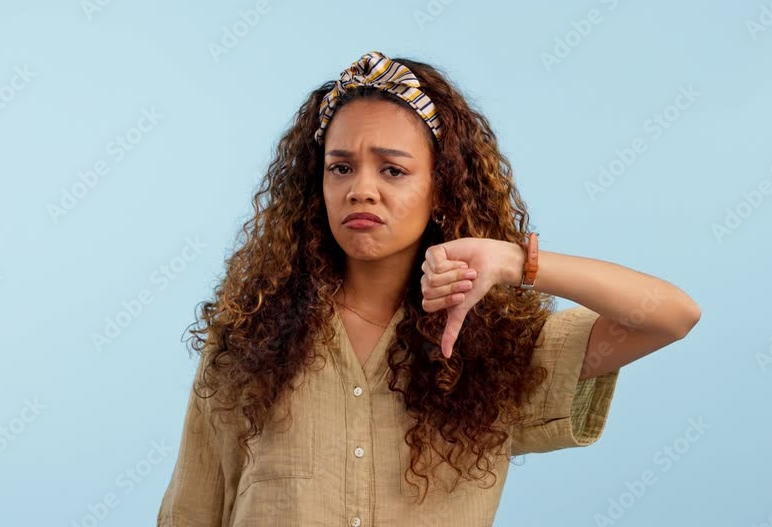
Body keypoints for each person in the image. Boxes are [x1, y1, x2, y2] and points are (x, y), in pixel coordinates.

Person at [156, 51, 701, 527]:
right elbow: (189, 515)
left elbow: (671, 315)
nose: (361, 190)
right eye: (340, 168)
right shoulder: (248, 340)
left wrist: (515, 260)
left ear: (441, 188)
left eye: (392, 171)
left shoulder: (499, 347)